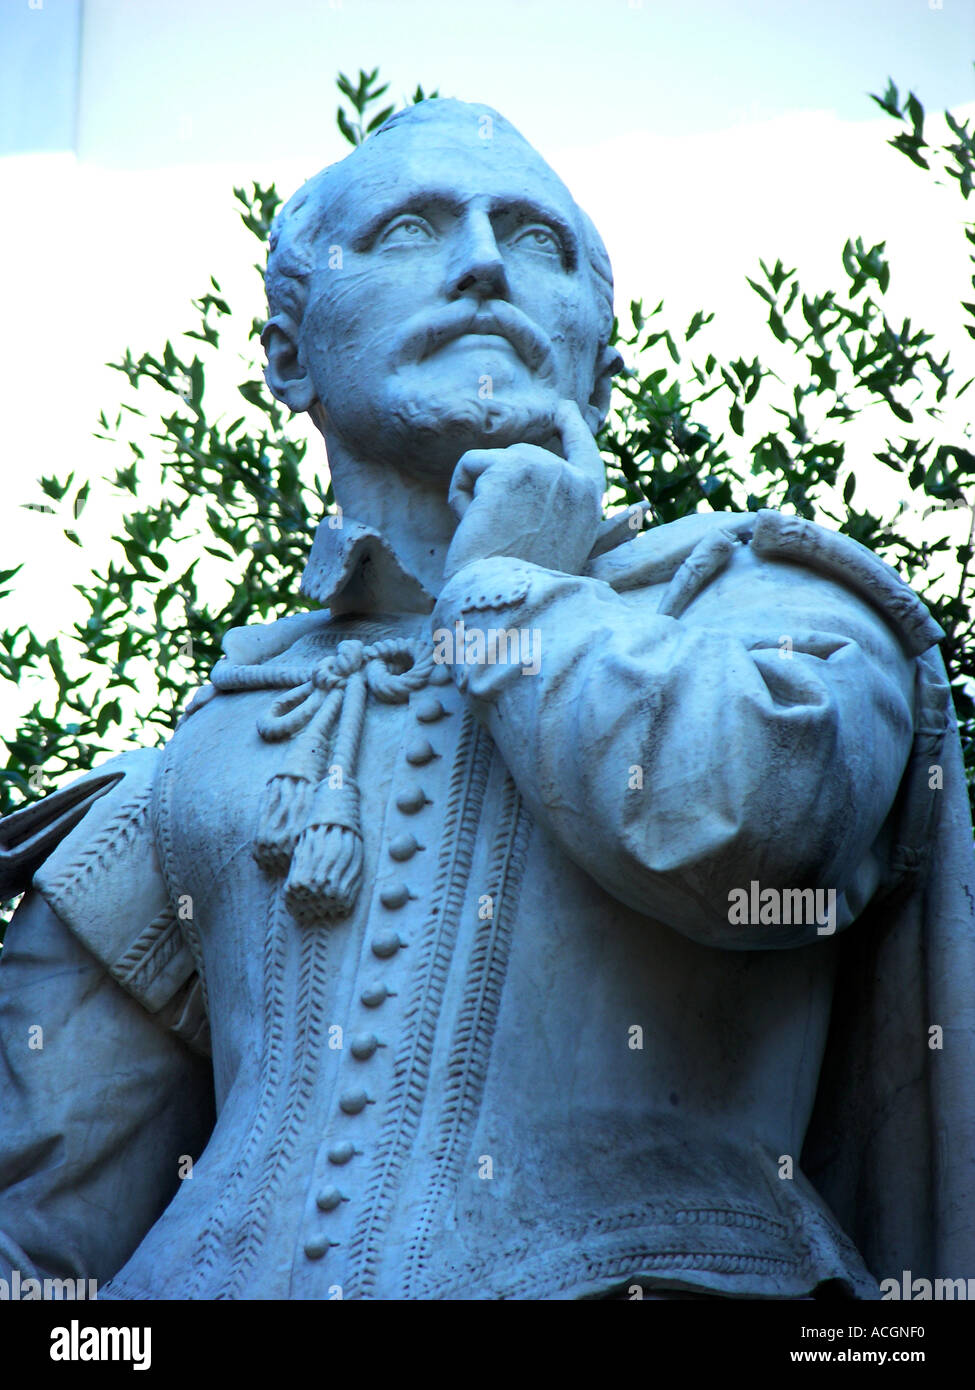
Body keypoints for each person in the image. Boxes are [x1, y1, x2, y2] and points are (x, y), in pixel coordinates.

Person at [0, 98, 972, 1301]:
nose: (479, 265)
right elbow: (41, 1238)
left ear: (600, 362)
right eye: (411, 228)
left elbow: (756, 829)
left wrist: (510, 592)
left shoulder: (764, 611)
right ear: (289, 352)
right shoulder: (198, 758)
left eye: (538, 242)